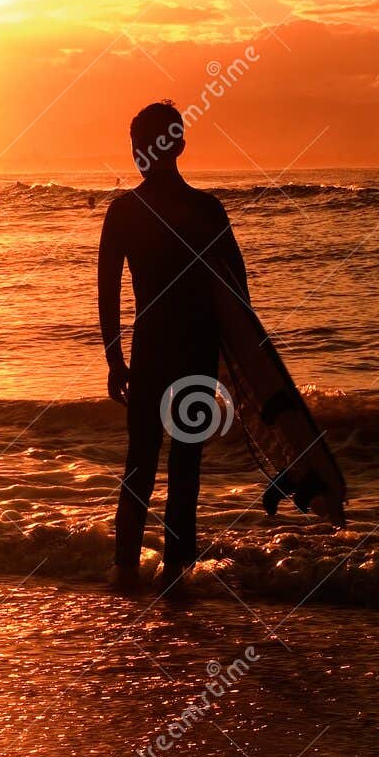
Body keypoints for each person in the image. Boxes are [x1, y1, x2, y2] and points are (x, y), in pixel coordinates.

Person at [97, 101, 246, 594]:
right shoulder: (207, 209)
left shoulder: (125, 211)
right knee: (185, 463)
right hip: (195, 348)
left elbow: (108, 291)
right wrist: (242, 365)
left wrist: (115, 357)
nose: (142, 154)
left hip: (151, 349)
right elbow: (239, 294)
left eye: (142, 145)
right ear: (180, 144)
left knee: (140, 460)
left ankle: (125, 571)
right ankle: (177, 575)